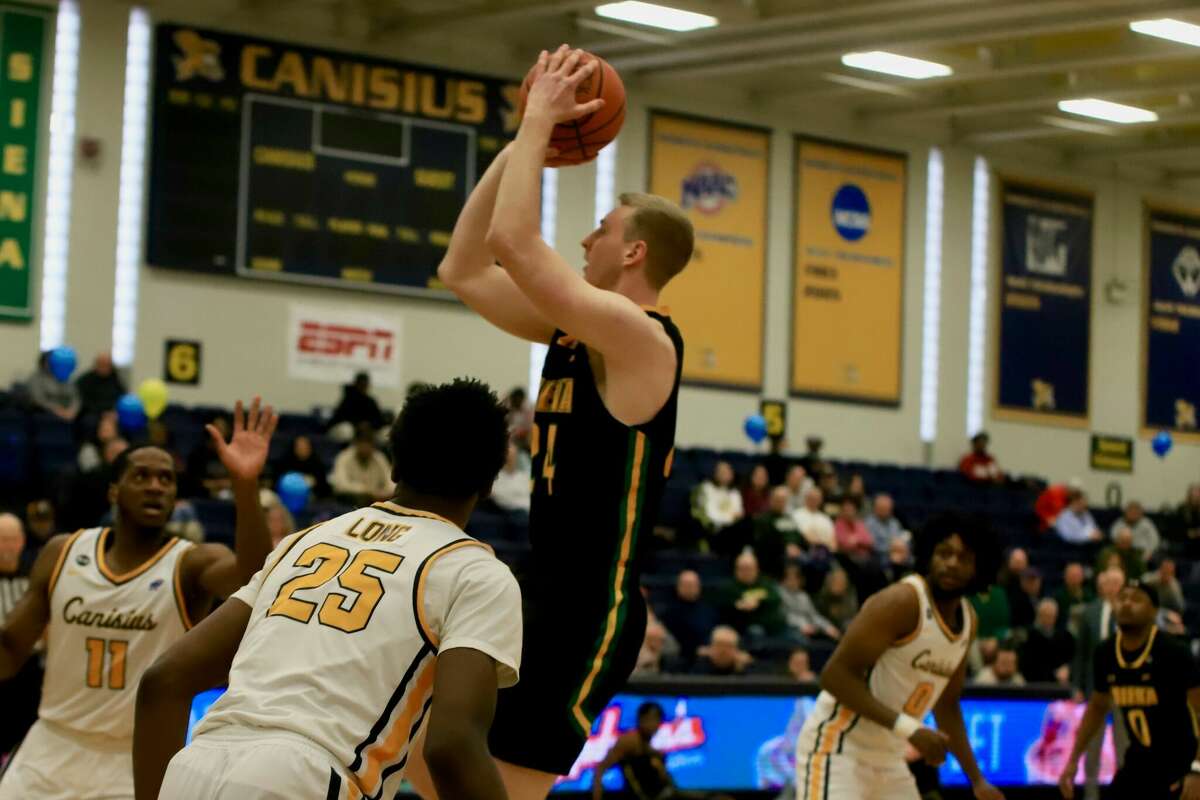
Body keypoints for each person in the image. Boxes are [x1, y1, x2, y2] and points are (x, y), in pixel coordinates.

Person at [436, 45, 691, 797]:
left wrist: (542, 121)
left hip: (589, 609)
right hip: (538, 593)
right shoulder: (573, 332)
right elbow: (464, 268)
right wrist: (524, 140)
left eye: (603, 228)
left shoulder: (643, 341)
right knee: (440, 764)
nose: (586, 239)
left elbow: (515, 245)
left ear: (635, 251)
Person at [133, 380, 522, 800]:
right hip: (309, 777)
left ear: (393, 465)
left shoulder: (304, 540)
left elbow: (162, 680)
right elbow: (452, 746)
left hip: (196, 765)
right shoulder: (476, 572)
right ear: (488, 483)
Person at [0, 397, 277, 800]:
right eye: (142, 476)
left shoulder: (190, 564)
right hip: (49, 749)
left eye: (166, 479)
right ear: (114, 489)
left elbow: (255, 579)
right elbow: (10, 650)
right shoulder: (63, 552)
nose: (155, 486)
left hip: (132, 758)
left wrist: (245, 485)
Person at [794, 514, 1005, 800]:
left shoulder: (969, 621)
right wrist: (911, 729)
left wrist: (977, 780)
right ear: (928, 555)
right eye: (944, 553)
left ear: (979, 567)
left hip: (890, 759)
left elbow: (947, 706)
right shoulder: (902, 601)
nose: (952, 563)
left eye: (964, 557)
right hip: (838, 748)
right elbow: (834, 676)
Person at [1058, 580, 1200, 800]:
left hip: (1180, 762)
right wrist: (1073, 760)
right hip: (1139, 759)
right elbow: (1097, 707)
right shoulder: (1105, 652)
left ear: (1154, 611)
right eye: (1122, 598)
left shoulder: (1173, 652)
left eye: (1136, 599)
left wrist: (1197, 769)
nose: (1126, 604)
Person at [590, 702, 733, 800]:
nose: (654, 725)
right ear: (641, 720)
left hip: (667, 793)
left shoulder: (649, 747)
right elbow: (600, 769)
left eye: (657, 720)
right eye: (650, 720)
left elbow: (666, 781)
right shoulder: (629, 741)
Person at [1070, 566, 1126, 800]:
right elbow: (1081, 653)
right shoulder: (1089, 612)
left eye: (1117, 583)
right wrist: (1077, 685)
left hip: (1123, 691)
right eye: (1109, 582)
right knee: (1092, 748)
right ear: (1101, 586)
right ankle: (1091, 796)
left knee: (1123, 750)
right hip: (1096, 690)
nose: (1113, 587)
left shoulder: (1129, 613)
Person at [719, 550, 789, 642]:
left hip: (774, 625)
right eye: (742, 569)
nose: (746, 572)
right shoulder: (729, 587)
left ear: (756, 568)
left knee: (795, 637)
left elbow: (776, 598)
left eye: (749, 568)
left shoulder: (765, 583)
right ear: (736, 570)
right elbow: (722, 604)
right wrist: (737, 605)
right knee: (756, 632)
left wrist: (759, 602)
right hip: (748, 627)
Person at [660, 570, 718, 669]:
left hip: (711, 653)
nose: (689, 588)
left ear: (699, 586)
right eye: (686, 585)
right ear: (678, 587)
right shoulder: (669, 612)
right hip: (682, 657)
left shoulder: (709, 609)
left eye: (692, 585)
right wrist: (696, 650)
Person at [329, 426, 395, 505]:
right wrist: (366, 491)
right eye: (362, 442)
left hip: (376, 501)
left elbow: (391, 483)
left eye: (368, 443)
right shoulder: (344, 457)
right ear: (355, 443)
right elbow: (341, 485)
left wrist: (382, 493)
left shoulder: (379, 458)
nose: (365, 447)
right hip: (350, 502)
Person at [779, 562, 839, 641]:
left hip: (809, 629)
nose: (793, 581)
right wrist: (803, 625)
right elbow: (784, 615)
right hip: (789, 629)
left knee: (832, 638)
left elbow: (814, 615)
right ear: (783, 580)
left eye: (796, 578)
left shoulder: (803, 596)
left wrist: (828, 627)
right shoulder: (779, 593)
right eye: (790, 578)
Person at [1020, 599, 1074, 685]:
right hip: (1035, 683)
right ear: (1038, 615)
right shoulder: (1029, 636)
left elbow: (1073, 659)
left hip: (1060, 684)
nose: (1048, 619)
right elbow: (1027, 665)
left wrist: (1067, 668)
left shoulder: (1065, 636)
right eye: (1045, 615)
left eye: (1051, 616)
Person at [692, 461, 744, 548]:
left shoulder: (735, 492)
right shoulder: (705, 488)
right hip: (711, 529)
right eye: (722, 472)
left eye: (728, 472)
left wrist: (732, 519)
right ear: (715, 473)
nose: (726, 475)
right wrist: (727, 519)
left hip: (730, 530)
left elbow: (739, 514)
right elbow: (706, 514)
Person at [325, 371, 386, 440]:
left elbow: (379, 420)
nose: (363, 387)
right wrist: (357, 425)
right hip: (349, 429)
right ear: (356, 384)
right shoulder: (348, 400)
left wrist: (370, 425)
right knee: (346, 430)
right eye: (361, 384)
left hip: (369, 431)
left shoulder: (371, 401)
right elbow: (340, 418)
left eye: (365, 384)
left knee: (385, 434)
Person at [184, 414, 233, 498]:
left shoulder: (233, 452)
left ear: (228, 431)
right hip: (203, 494)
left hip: (230, 493)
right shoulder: (197, 453)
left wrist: (229, 483)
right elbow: (191, 479)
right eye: (216, 428)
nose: (219, 431)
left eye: (222, 428)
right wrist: (213, 484)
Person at [27, 352, 80, 421]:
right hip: (45, 411)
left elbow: (75, 397)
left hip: (68, 411)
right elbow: (38, 399)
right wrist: (57, 410)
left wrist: (73, 410)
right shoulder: (36, 378)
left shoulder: (65, 377)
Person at [273, 434, 330, 499]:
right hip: (286, 495)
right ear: (294, 448)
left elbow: (323, 485)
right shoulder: (284, 462)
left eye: (306, 447)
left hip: (312, 496)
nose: (303, 449)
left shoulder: (317, 463)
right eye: (300, 447)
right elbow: (277, 481)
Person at [75, 352, 125, 419]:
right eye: (102, 364)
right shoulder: (85, 380)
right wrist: (101, 413)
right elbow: (83, 402)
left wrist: (115, 411)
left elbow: (123, 396)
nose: (104, 367)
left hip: (112, 413)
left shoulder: (115, 379)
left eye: (107, 365)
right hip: (92, 413)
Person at [816, 567, 859, 632]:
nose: (839, 584)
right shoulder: (821, 600)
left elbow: (851, 617)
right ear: (829, 582)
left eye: (842, 582)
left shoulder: (850, 597)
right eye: (835, 581)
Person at [1054, 562, 1093, 633]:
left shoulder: (1090, 596)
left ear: (1082, 577)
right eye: (1071, 576)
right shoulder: (1058, 597)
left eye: (1077, 576)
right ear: (1065, 577)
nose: (1074, 579)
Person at [794, 486, 836, 552]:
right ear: (806, 498)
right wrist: (825, 544)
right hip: (809, 552)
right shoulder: (798, 514)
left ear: (821, 500)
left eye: (817, 498)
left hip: (828, 553)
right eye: (811, 498)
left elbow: (834, 542)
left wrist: (829, 548)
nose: (814, 500)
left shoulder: (825, 518)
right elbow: (809, 538)